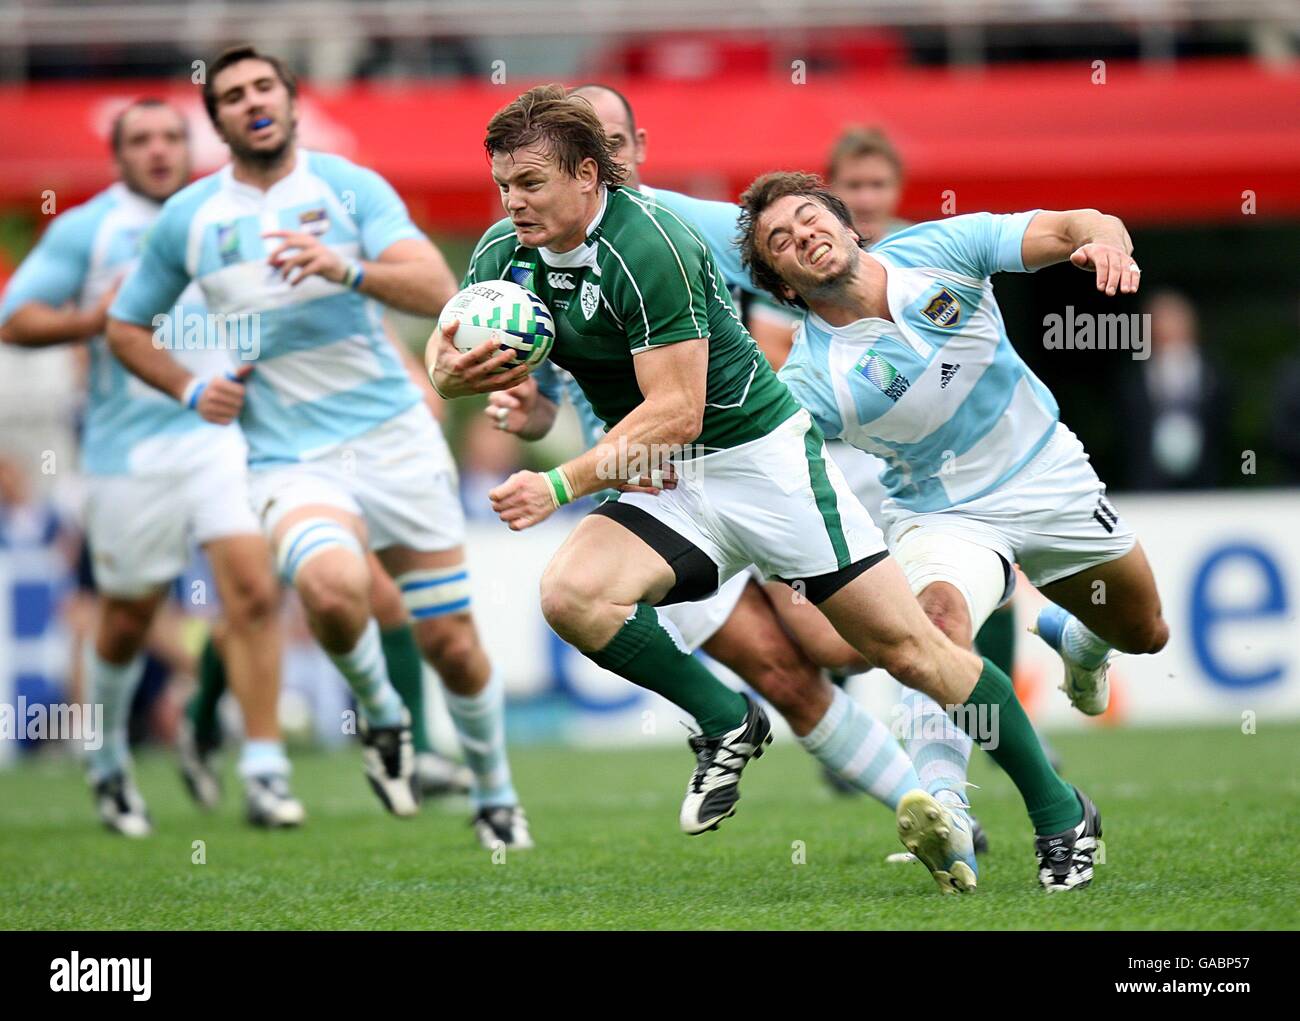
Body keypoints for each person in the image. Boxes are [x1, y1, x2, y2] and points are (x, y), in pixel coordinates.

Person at [430, 85, 1096, 894]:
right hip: (660, 476)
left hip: (760, 460)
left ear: (586, 174)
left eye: (529, 183)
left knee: (908, 651)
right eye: (503, 185)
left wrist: (560, 482)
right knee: (572, 593)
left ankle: (1062, 813)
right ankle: (724, 719)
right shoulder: (504, 253)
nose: (511, 202)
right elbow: (448, 353)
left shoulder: (655, 244)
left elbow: (675, 411)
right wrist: (456, 372)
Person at [105, 47, 528, 847]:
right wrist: (190, 390)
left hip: (395, 435)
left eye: (264, 85)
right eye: (232, 94)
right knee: (332, 590)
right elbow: (126, 327)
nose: (251, 101)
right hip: (288, 455)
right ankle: (381, 713)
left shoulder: (347, 187)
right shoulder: (190, 219)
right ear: (217, 119)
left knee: (452, 642)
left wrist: (344, 266)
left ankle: (495, 793)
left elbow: (437, 285)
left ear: (291, 100)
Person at [738, 171, 1172, 890]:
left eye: (811, 217)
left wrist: (1103, 242)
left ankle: (1079, 639)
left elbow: (1075, 222)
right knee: (934, 632)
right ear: (782, 284)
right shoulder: (813, 375)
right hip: (944, 516)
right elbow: (751, 451)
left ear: (848, 226)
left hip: (1049, 475)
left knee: (1146, 630)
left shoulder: (940, 248)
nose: (803, 235)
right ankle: (985, 812)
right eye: (780, 240)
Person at [0, 98, 301, 833]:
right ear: (118, 154)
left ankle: (264, 768)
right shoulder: (84, 230)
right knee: (128, 616)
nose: (161, 150)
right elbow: (14, 317)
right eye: (143, 140)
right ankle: (106, 759)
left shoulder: (226, 217)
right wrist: (93, 321)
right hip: (127, 451)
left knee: (256, 587)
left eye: (172, 137)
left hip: (220, 436)